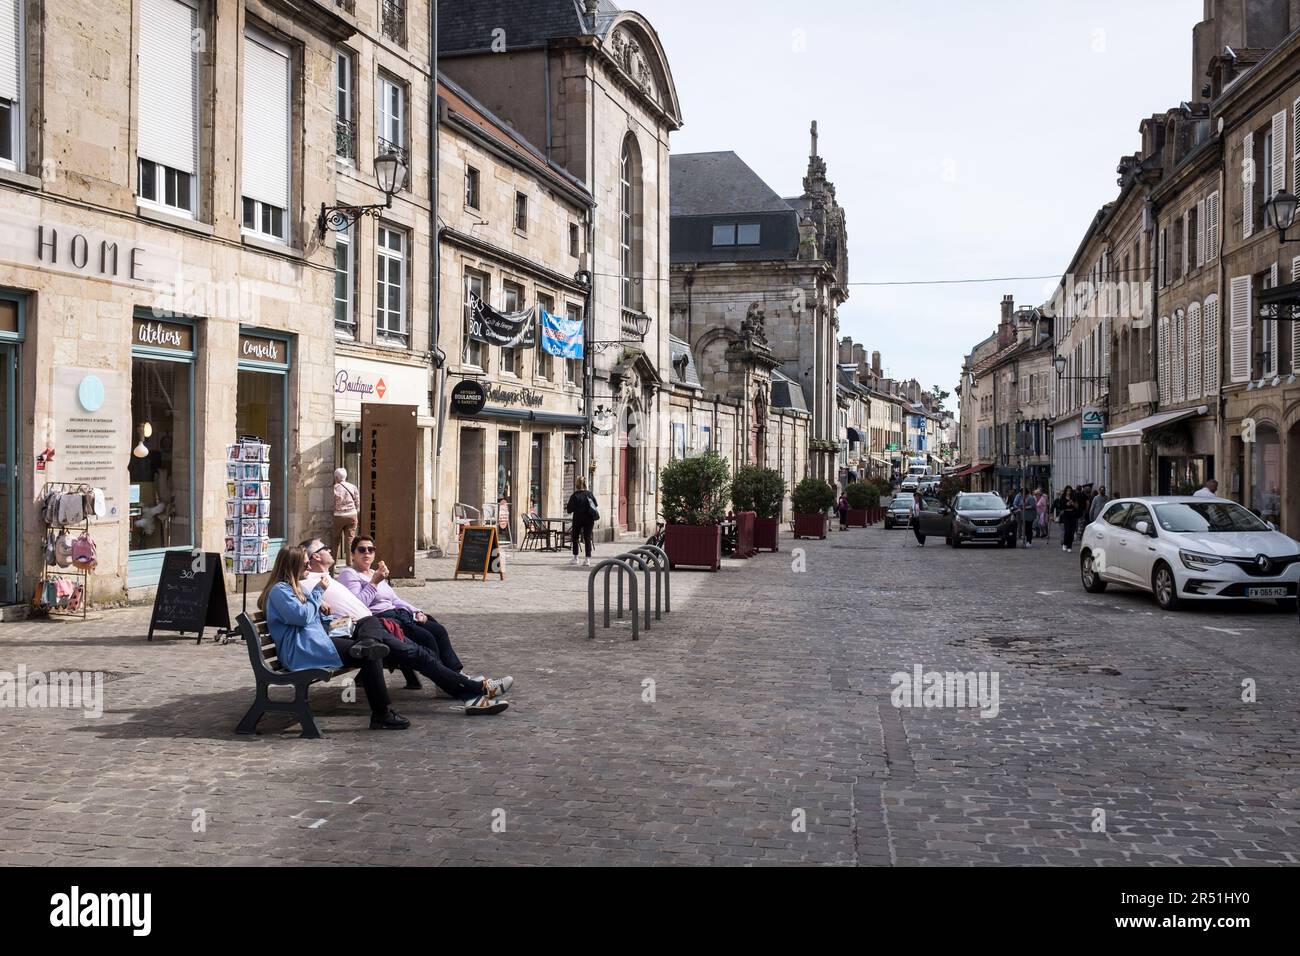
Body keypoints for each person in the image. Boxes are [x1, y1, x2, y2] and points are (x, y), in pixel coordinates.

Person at [335, 536, 512, 715]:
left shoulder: (373, 572)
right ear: (352, 554)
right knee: (424, 643)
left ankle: (460, 682)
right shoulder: (348, 574)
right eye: (362, 549)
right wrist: (374, 582)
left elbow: (395, 599)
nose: (367, 553)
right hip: (378, 621)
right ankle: (472, 687)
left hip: (391, 617)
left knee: (436, 630)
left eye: (370, 549)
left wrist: (416, 610)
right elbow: (357, 605)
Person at [258, 546, 410, 731]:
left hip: (315, 642)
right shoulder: (279, 591)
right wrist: (318, 592)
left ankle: (368, 644)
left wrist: (339, 620)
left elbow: (311, 618)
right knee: (370, 655)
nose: (309, 567)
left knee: (369, 625)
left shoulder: (294, 588)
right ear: (293, 566)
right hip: (302, 650)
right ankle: (381, 714)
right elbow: (301, 617)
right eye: (305, 564)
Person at [566, 477, 598, 567]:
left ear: (576, 484)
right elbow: (595, 505)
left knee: (575, 538)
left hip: (578, 519)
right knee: (587, 538)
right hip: (589, 519)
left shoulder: (575, 495)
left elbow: (569, 510)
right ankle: (587, 559)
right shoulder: (589, 494)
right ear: (585, 483)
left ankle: (575, 558)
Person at [332, 468, 361, 559]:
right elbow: (357, 502)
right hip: (351, 515)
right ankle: (350, 564)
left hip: (339, 516)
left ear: (336, 477)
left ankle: (332, 566)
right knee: (350, 540)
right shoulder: (352, 487)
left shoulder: (334, 488)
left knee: (336, 540)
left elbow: (331, 502)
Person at [1059, 485, 1080, 553]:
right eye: (1067, 491)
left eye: (1070, 491)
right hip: (1066, 514)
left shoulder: (1073, 497)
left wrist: (1073, 503)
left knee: (1072, 530)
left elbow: (1077, 506)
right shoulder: (1063, 497)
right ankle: (1065, 543)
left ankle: (1069, 546)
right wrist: (1067, 504)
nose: (1069, 492)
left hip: (1072, 514)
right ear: (1065, 491)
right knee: (1067, 530)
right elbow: (1061, 506)